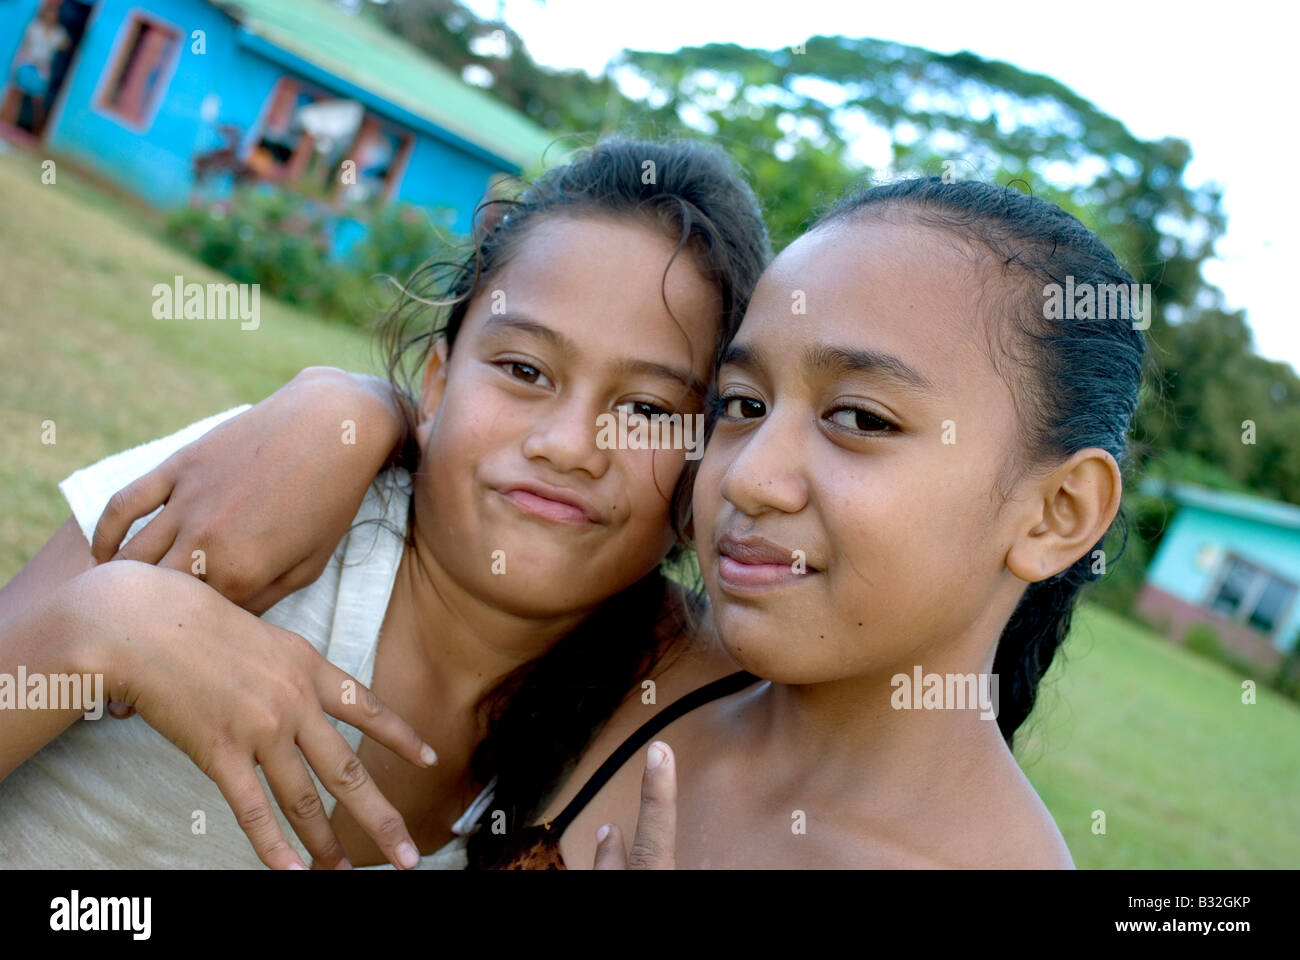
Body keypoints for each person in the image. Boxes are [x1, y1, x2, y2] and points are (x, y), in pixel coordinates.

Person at [0, 137, 770, 869]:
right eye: (524, 370)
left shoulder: (666, 693)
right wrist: (104, 625)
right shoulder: (260, 496)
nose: (569, 445)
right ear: (434, 386)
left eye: (644, 411)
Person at [504, 177, 1147, 868]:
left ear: (1057, 514)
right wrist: (372, 421)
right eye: (742, 404)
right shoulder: (634, 662)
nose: (748, 477)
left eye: (861, 419)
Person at [1, 0, 69, 131]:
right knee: (15, 95)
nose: (50, 17)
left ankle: (39, 131)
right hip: (27, 63)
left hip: (41, 69)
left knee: (38, 102)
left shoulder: (58, 33)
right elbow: (25, 43)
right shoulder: (34, 27)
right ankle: (5, 126)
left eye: (53, 14)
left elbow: (66, 45)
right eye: (48, 13)